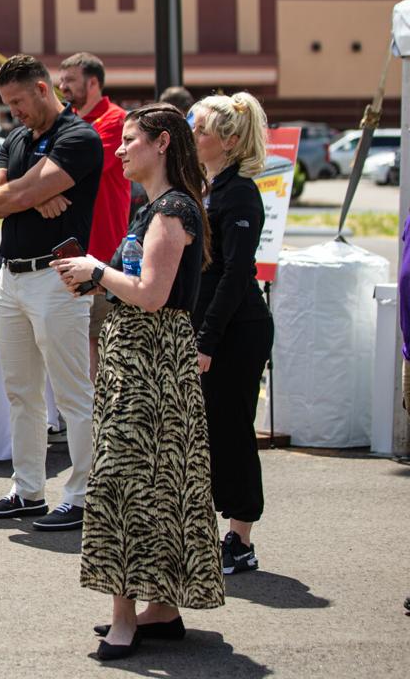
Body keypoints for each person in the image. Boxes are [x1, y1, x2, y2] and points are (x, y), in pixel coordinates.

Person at [51, 102, 222, 660]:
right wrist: (98, 278)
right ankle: (162, 610)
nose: (120, 150)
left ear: (163, 144)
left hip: (151, 364)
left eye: (130, 140)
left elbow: (151, 294)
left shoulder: (171, 209)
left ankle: (126, 617)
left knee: (124, 483)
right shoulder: (155, 208)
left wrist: (97, 272)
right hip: (144, 360)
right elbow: (147, 289)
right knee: (154, 483)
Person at [0, 54, 101, 531]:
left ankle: (83, 495)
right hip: (13, 276)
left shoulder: (79, 137)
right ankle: (27, 490)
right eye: (8, 104)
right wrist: (25, 195)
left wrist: (20, 196)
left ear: (44, 89)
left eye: (19, 102)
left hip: (59, 275)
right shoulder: (16, 138)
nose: (14, 113)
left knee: (71, 392)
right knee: (21, 391)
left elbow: (9, 197)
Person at [189, 92, 274, 575]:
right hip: (212, 328)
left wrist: (207, 340)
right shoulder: (209, 187)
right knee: (208, 433)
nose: (194, 137)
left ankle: (240, 539)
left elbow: (237, 273)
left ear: (228, 141)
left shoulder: (239, 192)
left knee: (231, 431)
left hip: (236, 331)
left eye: (201, 130)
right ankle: (218, 531)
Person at [58, 52, 129, 384]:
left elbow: (77, 170)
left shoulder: (116, 121)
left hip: (103, 253)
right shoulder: (65, 122)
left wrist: (46, 190)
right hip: (68, 254)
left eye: (70, 80)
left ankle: (100, 422)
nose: (63, 87)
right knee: (71, 343)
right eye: (62, 80)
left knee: (101, 342)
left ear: (94, 83)